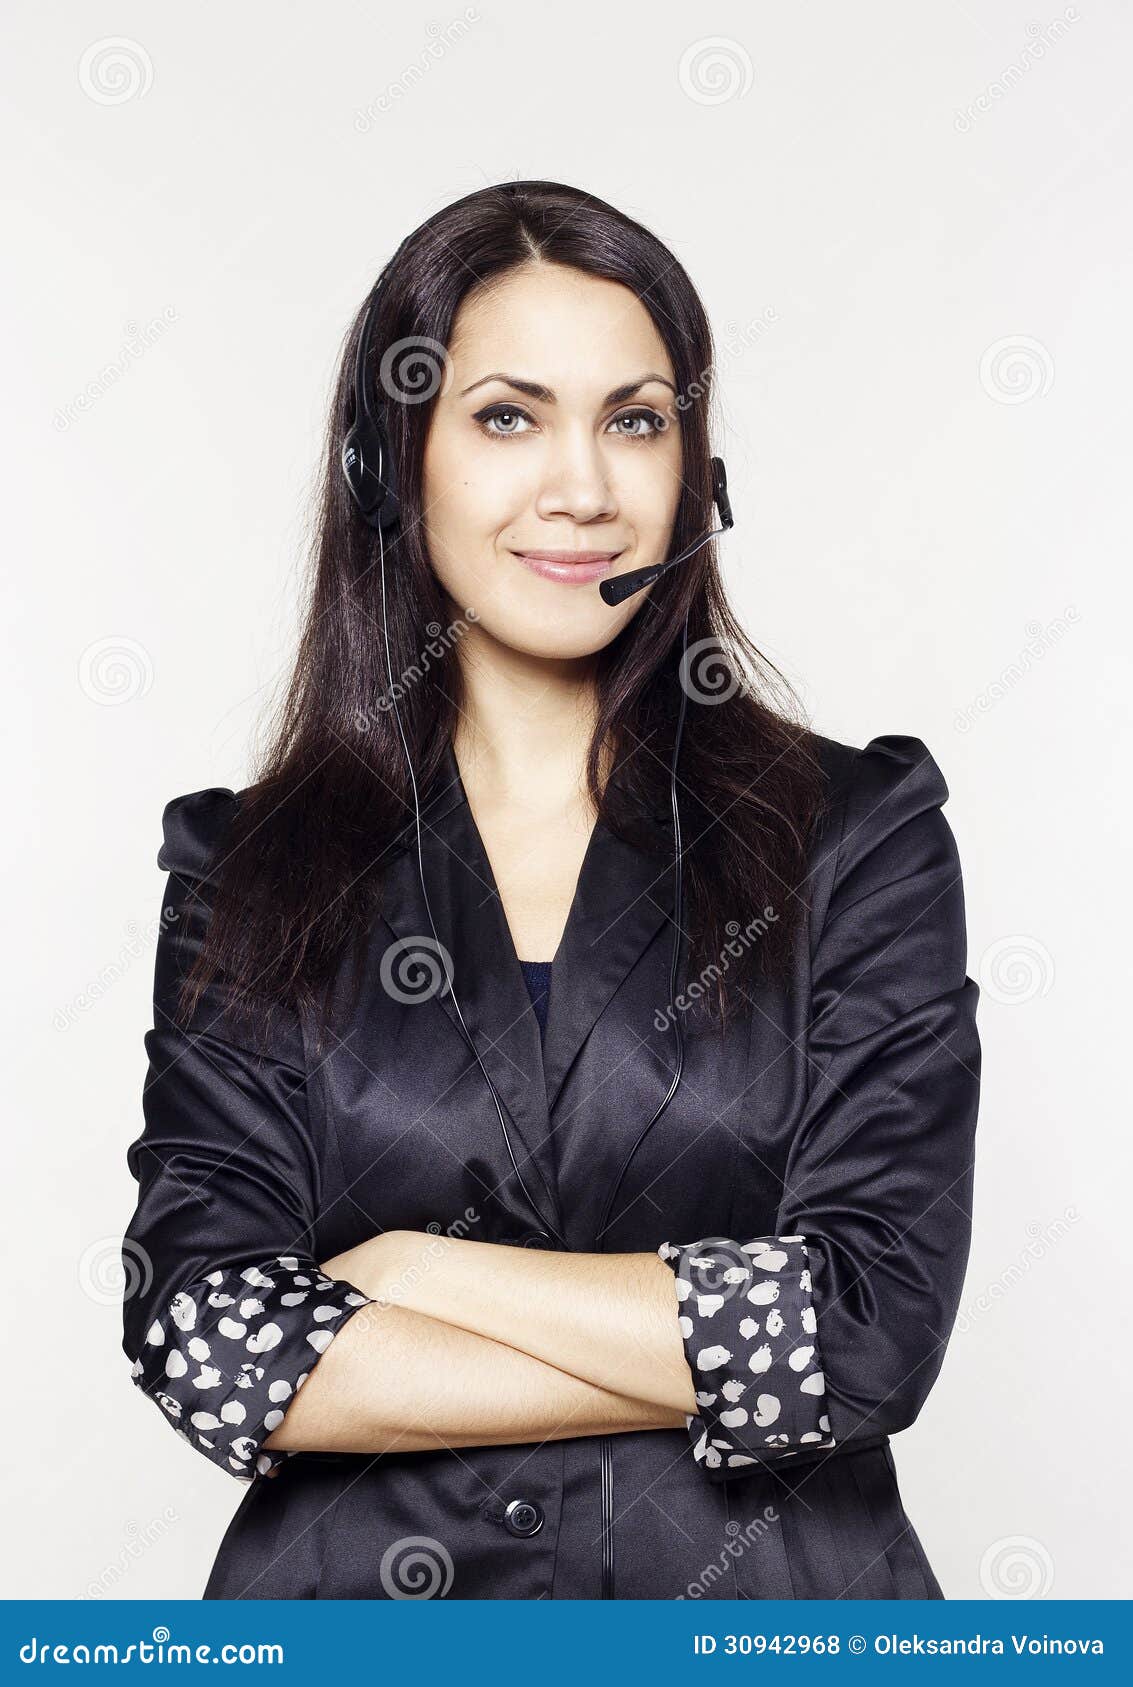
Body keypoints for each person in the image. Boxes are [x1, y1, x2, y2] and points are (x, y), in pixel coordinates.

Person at [120, 180, 980, 1601]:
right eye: (508, 415)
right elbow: (209, 1342)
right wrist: (720, 1342)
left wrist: (410, 1272)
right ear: (388, 464)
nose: (582, 485)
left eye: (634, 419)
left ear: (696, 468)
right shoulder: (247, 870)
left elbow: (868, 1327)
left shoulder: (855, 833)